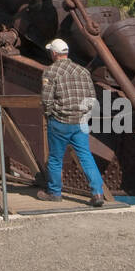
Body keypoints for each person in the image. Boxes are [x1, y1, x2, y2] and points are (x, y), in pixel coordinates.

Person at [36, 38, 106, 206]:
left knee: (55, 159)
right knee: (86, 157)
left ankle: (55, 193)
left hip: (60, 121)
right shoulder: (83, 71)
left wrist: (49, 115)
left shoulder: (50, 72)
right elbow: (92, 97)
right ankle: (97, 194)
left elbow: (46, 99)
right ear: (66, 53)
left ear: (53, 53)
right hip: (80, 122)